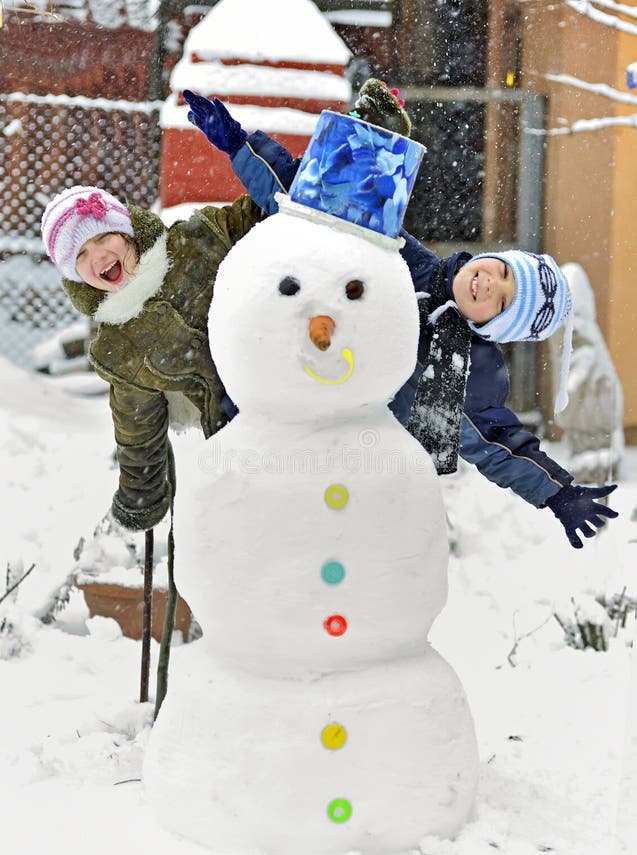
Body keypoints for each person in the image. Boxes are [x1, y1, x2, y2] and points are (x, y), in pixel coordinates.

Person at [182, 83, 618, 550]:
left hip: (344, 464)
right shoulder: (405, 258)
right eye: (504, 271)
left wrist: (557, 493)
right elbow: (307, 203)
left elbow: (498, 442)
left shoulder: (464, 367)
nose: (491, 283)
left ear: (494, 327)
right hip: (270, 406)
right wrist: (238, 142)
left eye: (504, 301)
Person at [40, 185, 263, 532]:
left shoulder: (197, 242)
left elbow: (262, 210)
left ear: (125, 229)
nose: (97, 256)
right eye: (81, 255)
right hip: (243, 440)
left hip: (297, 378)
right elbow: (138, 435)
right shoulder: (120, 348)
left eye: (102, 238)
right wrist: (139, 503)